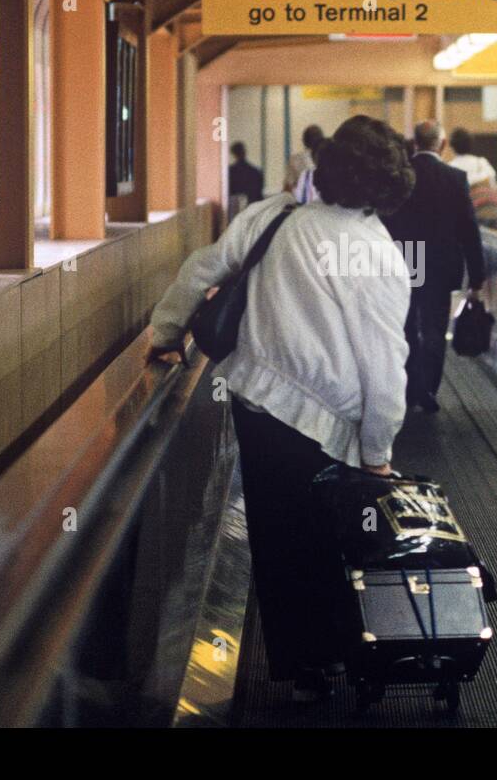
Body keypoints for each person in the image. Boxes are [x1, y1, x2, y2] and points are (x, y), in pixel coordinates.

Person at [148, 115, 415, 703]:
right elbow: (383, 368)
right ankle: (348, 647)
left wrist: (165, 334)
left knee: (278, 533)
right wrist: (379, 454)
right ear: (390, 183)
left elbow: (201, 270)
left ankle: (304, 666)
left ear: (328, 169)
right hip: (336, 423)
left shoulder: (274, 215)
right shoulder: (377, 253)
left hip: (262, 405)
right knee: (338, 536)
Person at [383, 120, 486, 413]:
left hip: (406, 260)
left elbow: (387, 221)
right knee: (434, 329)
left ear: (414, 143)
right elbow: (469, 229)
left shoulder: (401, 176)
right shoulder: (455, 178)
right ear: (441, 145)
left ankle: (409, 387)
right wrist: (477, 275)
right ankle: (428, 388)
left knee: (405, 327)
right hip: (442, 265)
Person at [284, 124, 325, 194]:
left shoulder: (294, 159)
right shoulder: (327, 158)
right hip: (324, 202)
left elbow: (288, 187)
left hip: (301, 202)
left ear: (304, 141)